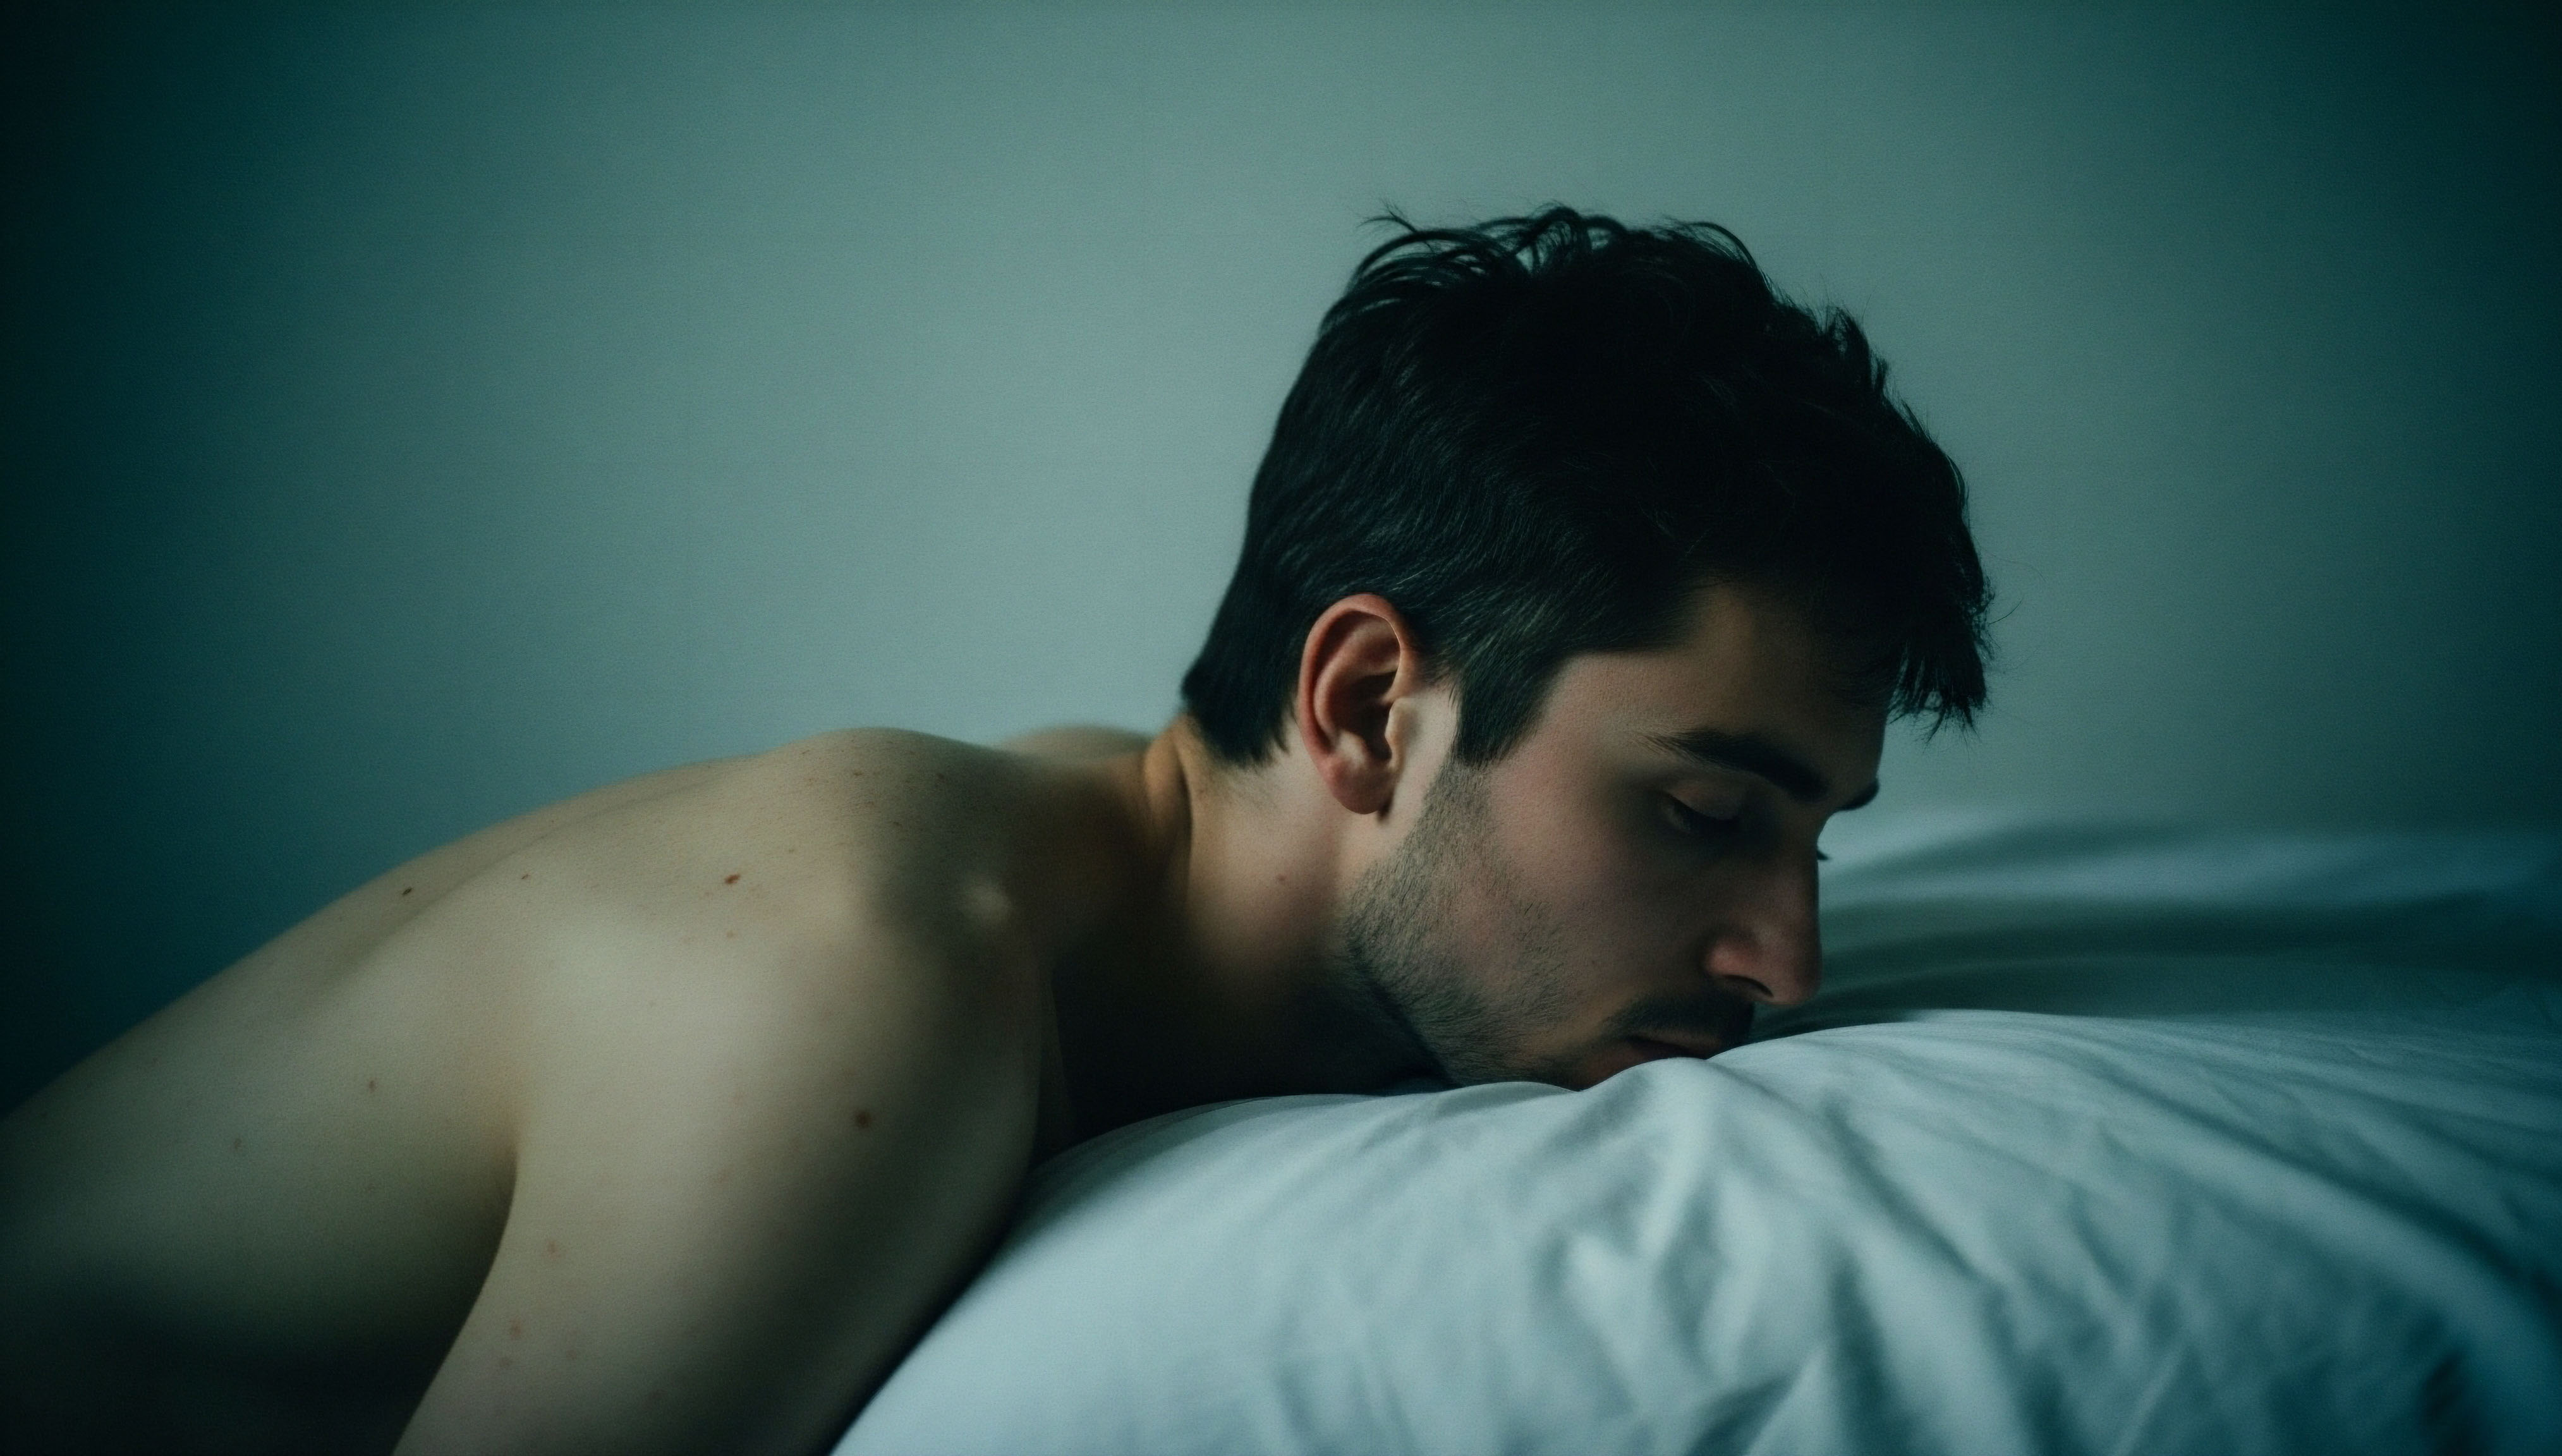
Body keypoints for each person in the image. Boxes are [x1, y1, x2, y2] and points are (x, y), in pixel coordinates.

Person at [0, 206, 1990, 1454]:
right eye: (1705, 812)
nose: (1783, 964)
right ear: (1371, 707)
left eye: (1811, 844)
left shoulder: (1177, 894)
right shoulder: (855, 986)